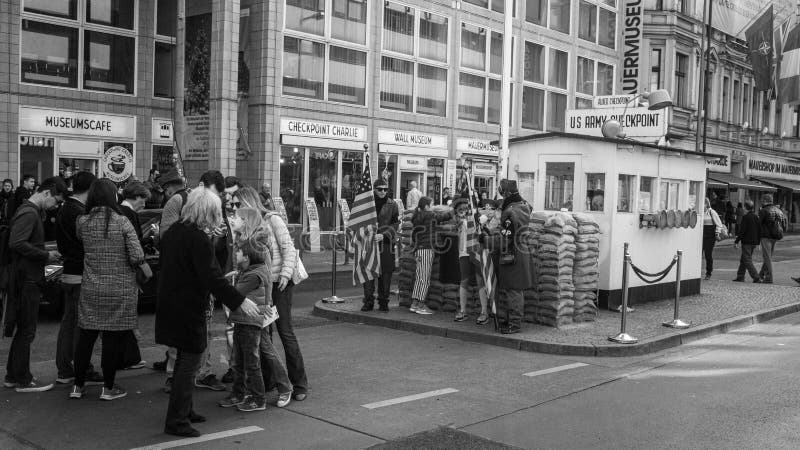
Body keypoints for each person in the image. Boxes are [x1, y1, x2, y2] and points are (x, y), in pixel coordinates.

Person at [156, 187, 261, 437]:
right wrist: (239, 301)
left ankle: (186, 410)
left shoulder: (174, 232)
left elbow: (191, 269)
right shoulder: (197, 238)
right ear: (208, 212)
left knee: (185, 361)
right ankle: (177, 420)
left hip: (173, 305)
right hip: (188, 308)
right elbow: (210, 276)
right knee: (188, 364)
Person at [69, 179, 152, 400]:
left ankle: (77, 386)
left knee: (86, 336)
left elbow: (80, 240)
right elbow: (137, 256)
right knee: (112, 339)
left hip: (91, 287)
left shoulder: (82, 222)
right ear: (112, 196)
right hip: (120, 288)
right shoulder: (123, 222)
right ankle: (108, 387)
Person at [231, 185, 308, 401]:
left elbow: (288, 248)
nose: (235, 208)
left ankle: (299, 383)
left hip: (278, 283)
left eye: (239, 204)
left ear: (249, 201)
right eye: (234, 205)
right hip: (261, 284)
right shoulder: (247, 223)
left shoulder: (271, 219)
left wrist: (284, 274)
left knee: (285, 332)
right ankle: (269, 380)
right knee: (264, 336)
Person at [4, 177, 67, 392]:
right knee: (27, 330)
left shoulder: (29, 211)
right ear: (47, 193)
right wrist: (45, 255)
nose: (55, 207)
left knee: (24, 329)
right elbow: (17, 243)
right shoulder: (29, 212)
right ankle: (22, 378)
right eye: (56, 201)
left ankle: (14, 375)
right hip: (27, 278)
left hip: (26, 277)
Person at [218, 236, 292, 411]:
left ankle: (264, 394)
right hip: (252, 318)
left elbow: (234, 294)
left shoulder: (254, 271)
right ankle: (246, 393)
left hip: (253, 320)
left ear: (248, 256)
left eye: (238, 251)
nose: (235, 253)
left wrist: (224, 283)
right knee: (249, 357)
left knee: (255, 358)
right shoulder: (252, 268)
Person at [54, 171, 105, 385]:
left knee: (69, 323)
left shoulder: (66, 208)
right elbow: (87, 244)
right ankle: (79, 368)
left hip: (69, 272)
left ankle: (66, 368)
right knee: (79, 325)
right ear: (91, 189)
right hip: (80, 273)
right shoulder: (78, 212)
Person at [482, 179, 536, 334]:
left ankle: (514, 323)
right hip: (519, 252)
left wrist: (486, 240)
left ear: (506, 193)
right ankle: (510, 319)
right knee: (511, 290)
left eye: (501, 191)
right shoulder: (523, 206)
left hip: (512, 255)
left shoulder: (511, 211)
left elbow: (506, 239)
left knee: (513, 291)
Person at [119, 181, 152, 370]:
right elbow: (135, 243)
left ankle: (129, 355)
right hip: (129, 270)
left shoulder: (117, 210)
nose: (144, 204)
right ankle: (128, 357)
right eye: (143, 200)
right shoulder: (129, 214)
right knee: (128, 313)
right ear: (137, 196)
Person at [361, 179, 400, 313]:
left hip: (386, 243)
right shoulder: (367, 204)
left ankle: (384, 302)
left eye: (385, 189)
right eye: (380, 189)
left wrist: (384, 235)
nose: (383, 192)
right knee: (368, 274)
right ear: (374, 189)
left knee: (386, 275)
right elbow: (359, 222)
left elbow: (395, 224)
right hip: (369, 243)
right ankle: (368, 301)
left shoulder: (392, 204)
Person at [409, 197, 451, 316]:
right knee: (425, 279)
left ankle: (414, 304)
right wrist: (453, 211)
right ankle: (421, 305)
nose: (433, 206)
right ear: (426, 206)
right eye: (431, 204)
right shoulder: (429, 215)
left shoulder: (417, 217)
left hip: (418, 250)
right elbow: (442, 217)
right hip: (427, 249)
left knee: (419, 278)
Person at [452, 197, 489, 324]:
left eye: (464, 208)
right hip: (463, 253)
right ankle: (463, 310)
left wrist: (480, 221)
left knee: (480, 280)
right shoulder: (457, 221)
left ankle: (484, 311)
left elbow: (483, 226)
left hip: (475, 251)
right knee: (464, 280)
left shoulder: (474, 217)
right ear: (456, 211)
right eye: (459, 209)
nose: (462, 210)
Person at [758, 193, 787, 284]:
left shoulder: (764, 210)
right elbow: (785, 225)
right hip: (775, 236)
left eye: (762, 200)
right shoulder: (779, 210)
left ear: (764, 201)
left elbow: (758, 224)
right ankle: (761, 274)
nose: (761, 202)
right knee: (768, 256)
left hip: (766, 236)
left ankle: (769, 278)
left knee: (767, 257)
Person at [733, 200, 762, 283]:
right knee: (744, 259)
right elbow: (760, 230)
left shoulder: (746, 217)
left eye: (744, 207)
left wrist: (736, 241)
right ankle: (740, 276)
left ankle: (756, 277)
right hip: (754, 242)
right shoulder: (756, 216)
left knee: (747, 260)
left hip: (747, 242)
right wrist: (758, 241)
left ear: (745, 207)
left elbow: (742, 230)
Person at [701, 197, 725, 280]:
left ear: (706, 204)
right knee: (698, 254)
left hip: (710, 236)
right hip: (701, 235)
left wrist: (717, 233)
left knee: (708, 254)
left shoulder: (712, 212)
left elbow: (719, 224)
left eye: (703, 203)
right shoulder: (699, 212)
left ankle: (709, 273)